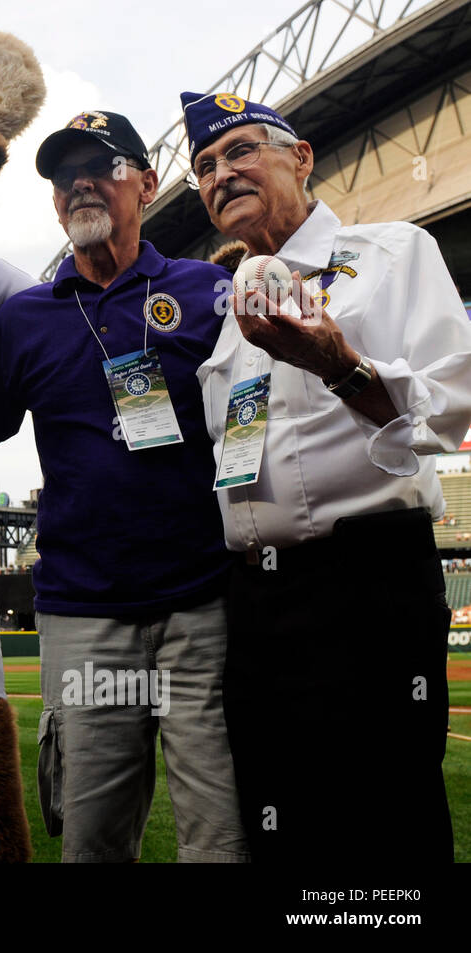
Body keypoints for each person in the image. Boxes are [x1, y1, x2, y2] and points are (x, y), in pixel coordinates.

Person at [182, 90, 471, 861]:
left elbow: (454, 406)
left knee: (386, 818)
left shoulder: (393, 252)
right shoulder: (226, 308)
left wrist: (341, 367)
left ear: (300, 157)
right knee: (278, 816)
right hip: (254, 596)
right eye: (204, 166)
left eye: (241, 150)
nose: (221, 174)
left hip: (365, 581)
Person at [0, 110, 248, 863]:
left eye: (105, 165)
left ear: (148, 183)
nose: (80, 183)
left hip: (204, 602)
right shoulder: (25, 318)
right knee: (92, 841)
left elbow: (263, 417)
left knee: (222, 836)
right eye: (64, 175)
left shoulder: (209, 290)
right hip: (85, 609)